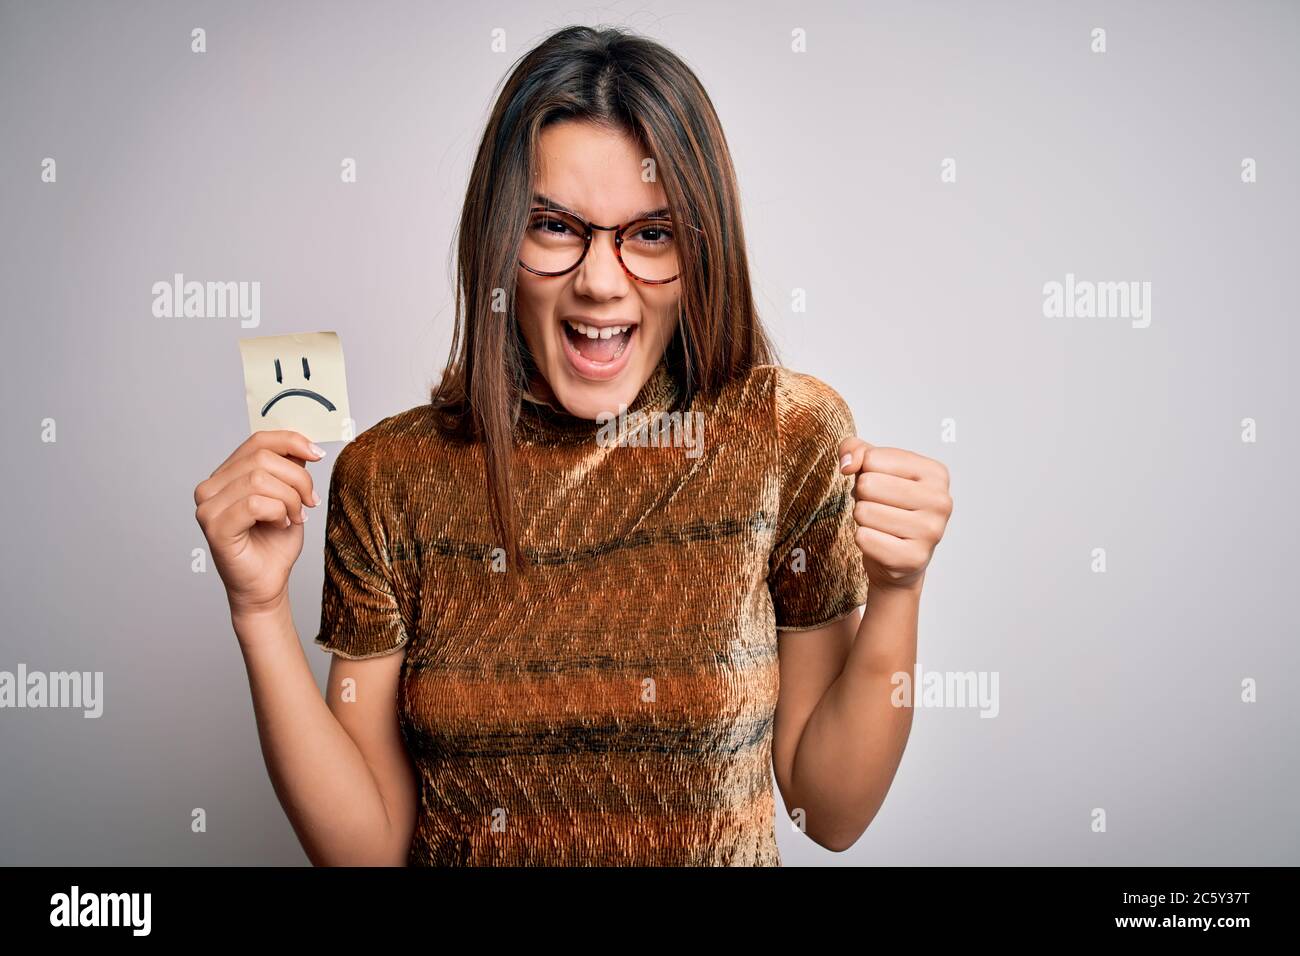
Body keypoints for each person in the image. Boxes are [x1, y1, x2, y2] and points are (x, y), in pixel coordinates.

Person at [193, 24, 952, 866]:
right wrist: (258, 612)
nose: (599, 278)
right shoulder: (389, 477)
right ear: (499, 242)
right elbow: (366, 853)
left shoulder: (786, 438)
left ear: (702, 248)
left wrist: (898, 592)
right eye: (555, 227)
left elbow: (828, 813)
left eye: (651, 234)